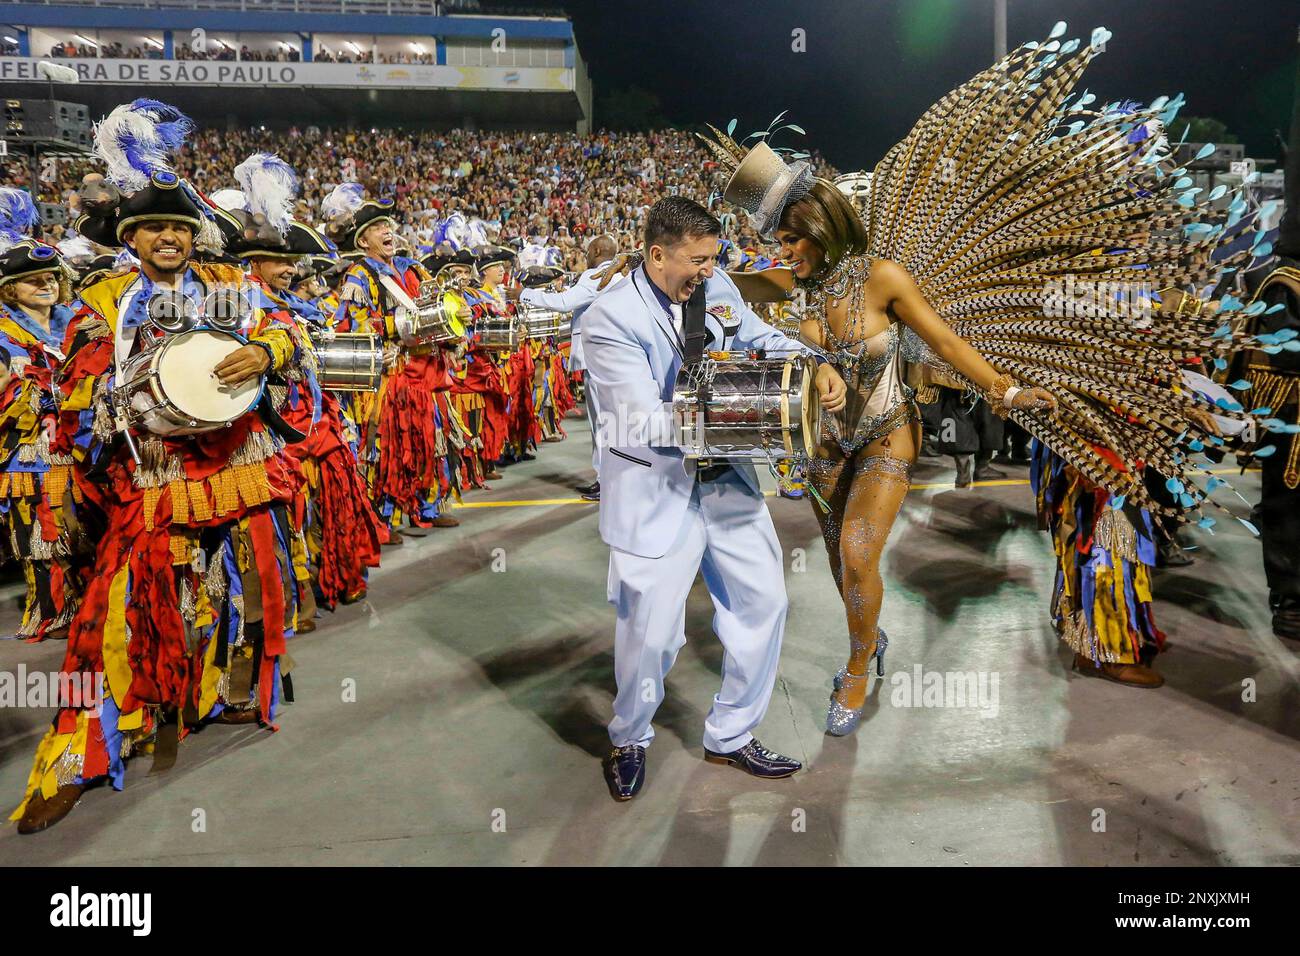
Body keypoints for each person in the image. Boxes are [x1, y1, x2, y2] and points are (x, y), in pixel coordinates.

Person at [703, 23, 1258, 732]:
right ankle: (868, 640)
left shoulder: (883, 278)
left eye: (788, 238)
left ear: (821, 227)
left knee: (858, 551)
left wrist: (1006, 390)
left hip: (885, 441)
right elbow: (728, 284)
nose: (781, 251)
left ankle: (855, 665)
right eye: (776, 240)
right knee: (850, 574)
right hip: (823, 451)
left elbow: (947, 341)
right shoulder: (792, 285)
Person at [12, 99, 314, 834]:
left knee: (239, 590)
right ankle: (82, 752)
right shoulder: (102, 302)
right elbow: (75, 399)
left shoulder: (230, 286)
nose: (169, 238)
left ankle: (209, 693)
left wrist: (268, 352)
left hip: (242, 464)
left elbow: (290, 330)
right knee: (113, 611)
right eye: (154, 228)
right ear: (131, 236)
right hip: (153, 481)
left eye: (179, 227)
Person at [582, 196, 847, 801]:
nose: (707, 271)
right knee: (651, 635)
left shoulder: (714, 283)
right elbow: (642, 422)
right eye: (696, 260)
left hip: (725, 480)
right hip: (656, 487)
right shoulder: (609, 319)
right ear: (655, 254)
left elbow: (760, 337)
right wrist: (745, 410)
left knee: (764, 604)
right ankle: (629, 735)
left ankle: (731, 735)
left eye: (712, 259)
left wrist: (812, 363)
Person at [326, 184, 460, 542]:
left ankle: (424, 508)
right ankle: (383, 520)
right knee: (387, 448)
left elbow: (438, 308)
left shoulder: (412, 269)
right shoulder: (360, 275)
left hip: (425, 374)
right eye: (377, 228)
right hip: (391, 377)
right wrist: (397, 327)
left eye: (388, 224)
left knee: (428, 442)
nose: (388, 231)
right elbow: (351, 325)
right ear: (362, 240)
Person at [0, 188, 81, 641]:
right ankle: (52, 610)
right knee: (40, 535)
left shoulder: (77, 322)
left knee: (81, 527)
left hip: (80, 444)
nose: (47, 284)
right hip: (31, 449)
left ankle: (87, 603)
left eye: (51, 277)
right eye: (34, 280)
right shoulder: (3, 331)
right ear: (11, 289)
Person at [507, 233, 622, 500]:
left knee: (603, 425)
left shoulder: (597, 276)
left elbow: (563, 303)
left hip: (600, 360)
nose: (584, 256)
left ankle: (607, 482)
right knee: (611, 424)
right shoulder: (620, 277)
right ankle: (609, 480)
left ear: (595, 250)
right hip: (612, 359)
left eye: (587, 251)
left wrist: (524, 293)